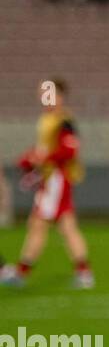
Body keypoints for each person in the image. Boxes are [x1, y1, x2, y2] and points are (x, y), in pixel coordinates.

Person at [0, 80, 94, 289]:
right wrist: (29, 158)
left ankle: (22, 272)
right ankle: (83, 271)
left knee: (38, 224)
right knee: (66, 226)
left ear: (59, 96)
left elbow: (69, 150)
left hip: (55, 180)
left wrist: (41, 159)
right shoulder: (48, 119)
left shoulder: (63, 121)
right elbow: (44, 148)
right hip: (51, 179)